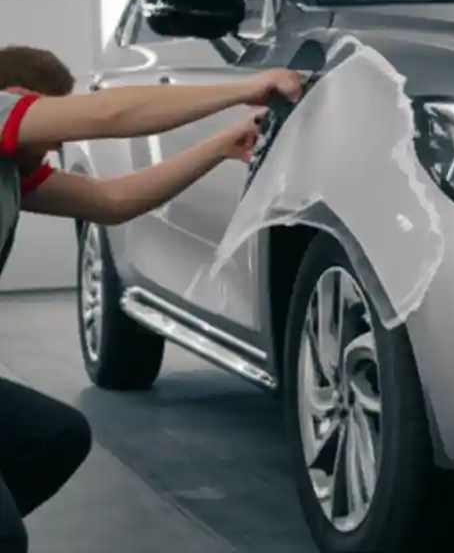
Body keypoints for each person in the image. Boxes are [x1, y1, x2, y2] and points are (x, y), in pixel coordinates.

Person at [0, 45, 302, 553]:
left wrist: (222, 146)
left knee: (55, 438)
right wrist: (245, 88)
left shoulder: (14, 172)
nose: (55, 142)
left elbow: (111, 202)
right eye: (52, 119)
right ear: (16, 101)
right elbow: (109, 114)